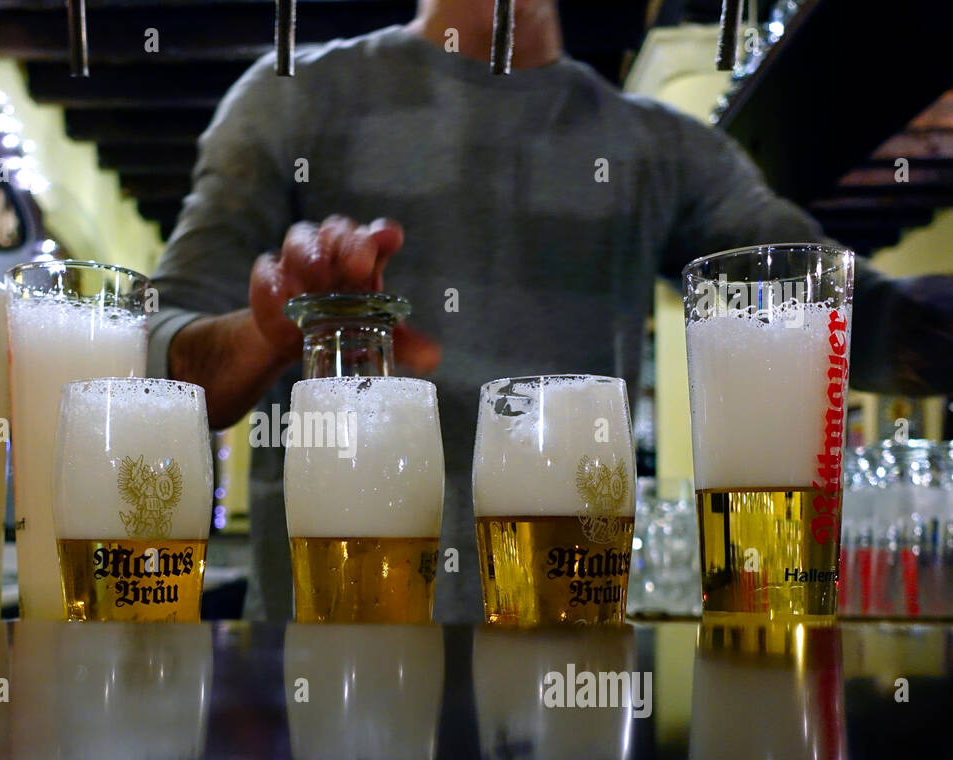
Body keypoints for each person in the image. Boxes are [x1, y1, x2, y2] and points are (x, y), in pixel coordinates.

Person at [144, 0, 953, 622]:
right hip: (334, 664)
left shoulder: (660, 148)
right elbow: (154, 367)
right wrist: (270, 333)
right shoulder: (293, 100)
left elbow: (857, 319)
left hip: (567, 654)